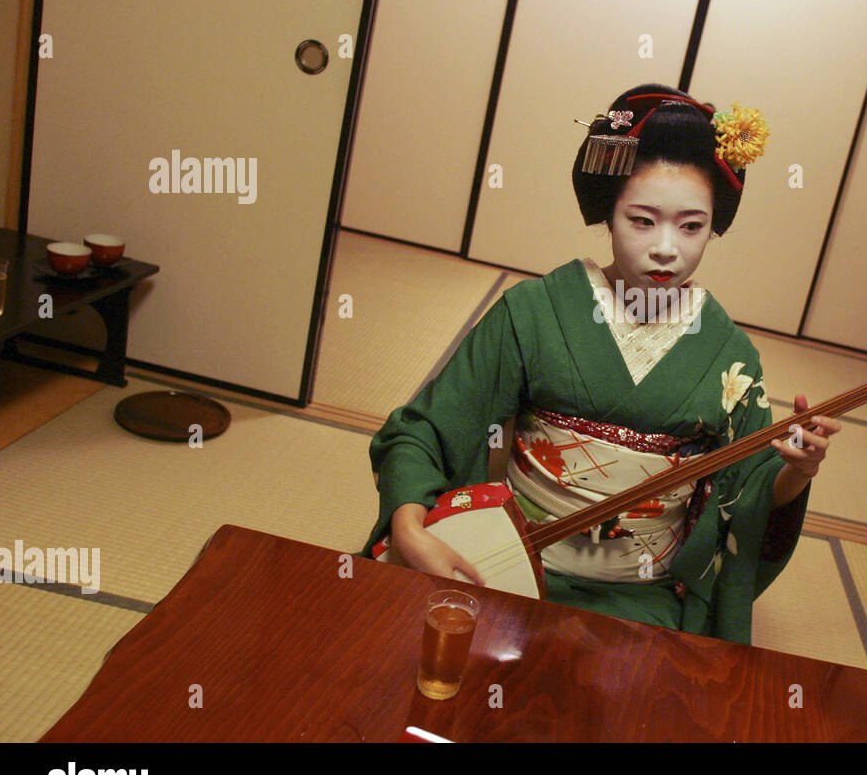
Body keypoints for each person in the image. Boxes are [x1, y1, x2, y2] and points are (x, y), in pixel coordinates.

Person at [360, 83, 840, 644]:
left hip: (641, 593)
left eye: (691, 226)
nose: (667, 248)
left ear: (714, 226)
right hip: (502, 564)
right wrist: (408, 524)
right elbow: (429, 427)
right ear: (607, 215)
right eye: (642, 221)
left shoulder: (730, 353)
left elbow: (748, 492)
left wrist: (795, 472)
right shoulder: (534, 311)